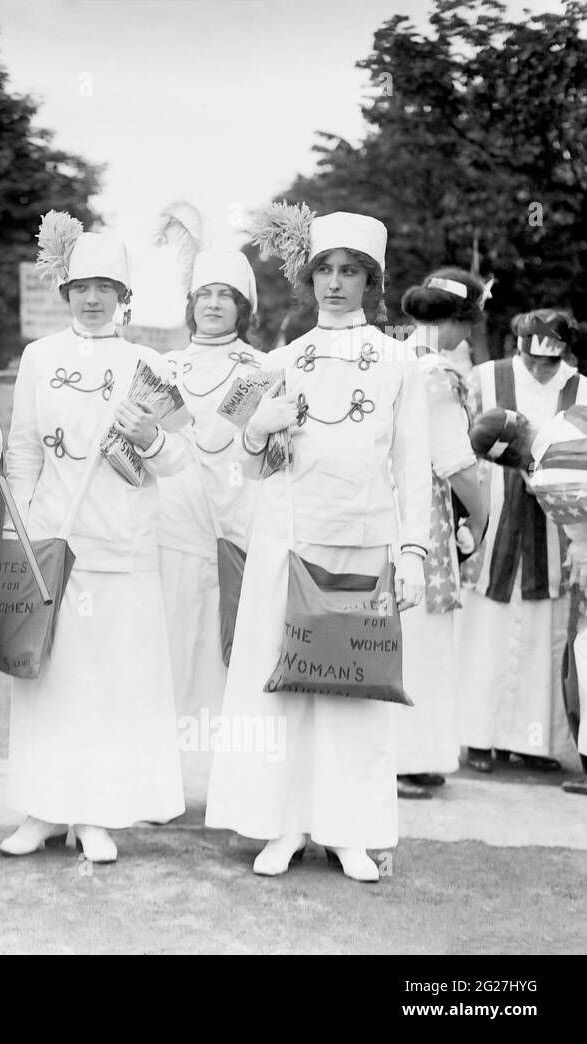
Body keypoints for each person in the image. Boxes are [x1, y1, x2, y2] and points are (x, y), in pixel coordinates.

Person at [205, 210, 430, 883]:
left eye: (349, 271)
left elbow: (412, 464)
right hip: (285, 541)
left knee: (352, 692)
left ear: (370, 280)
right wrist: (255, 431)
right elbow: (237, 462)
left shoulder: (400, 362)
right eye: (324, 270)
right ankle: (284, 824)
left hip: (362, 546)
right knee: (281, 690)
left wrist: (413, 551)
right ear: (309, 278)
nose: (335, 282)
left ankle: (349, 830)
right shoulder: (274, 362)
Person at [0, 220, 190, 863]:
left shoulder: (151, 365)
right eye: (82, 286)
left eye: (106, 287)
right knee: (50, 683)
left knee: (111, 685)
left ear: (124, 296)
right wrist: (19, 532)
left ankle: (100, 815)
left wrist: (151, 440)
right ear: (65, 290)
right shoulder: (39, 358)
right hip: (54, 544)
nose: (92, 299)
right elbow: (22, 450)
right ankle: (43, 811)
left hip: (123, 548)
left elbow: (180, 460)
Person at [458, 310, 587, 773]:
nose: (538, 370)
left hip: (556, 534)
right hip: (493, 524)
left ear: (565, 353)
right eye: (532, 360)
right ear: (519, 346)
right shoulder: (483, 379)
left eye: (549, 364)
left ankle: (534, 742)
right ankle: (477, 736)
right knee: (484, 633)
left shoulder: (582, 390)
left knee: (543, 634)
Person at [392, 268, 489, 798]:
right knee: (424, 641)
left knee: (396, 640)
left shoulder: (388, 357)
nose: (467, 339)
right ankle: (409, 757)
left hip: (382, 516)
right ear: (456, 321)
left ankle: (413, 754)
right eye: (467, 326)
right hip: (423, 520)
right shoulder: (438, 375)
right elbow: (455, 463)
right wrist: (481, 514)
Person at [158, 248, 262, 724]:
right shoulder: (165, 367)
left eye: (226, 295)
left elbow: (221, 441)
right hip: (171, 530)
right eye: (205, 294)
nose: (214, 304)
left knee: (229, 652)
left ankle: (226, 778)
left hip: (237, 528)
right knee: (174, 647)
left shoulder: (260, 368)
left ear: (244, 308)